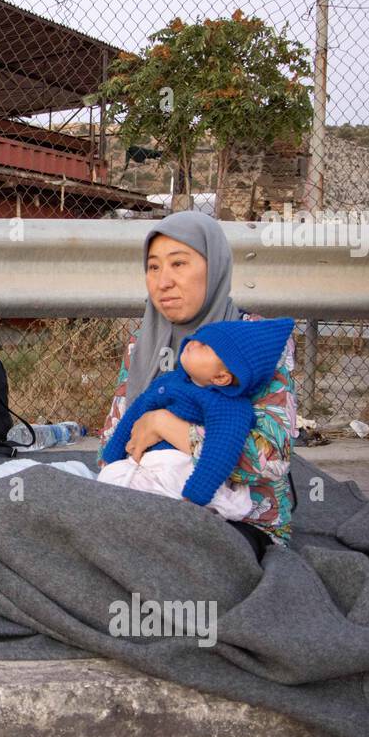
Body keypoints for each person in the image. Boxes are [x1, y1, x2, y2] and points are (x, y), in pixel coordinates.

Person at [98, 211, 298, 558]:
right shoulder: (142, 342)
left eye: (179, 264)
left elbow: (271, 457)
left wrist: (166, 425)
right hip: (149, 501)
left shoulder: (255, 340)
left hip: (240, 520)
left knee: (180, 557)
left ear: (214, 266)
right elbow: (113, 441)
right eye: (154, 267)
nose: (163, 282)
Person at [97, 316, 296, 523]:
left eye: (205, 346)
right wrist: (111, 456)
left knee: (141, 502)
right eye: (199, 337)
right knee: (110, 481)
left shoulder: (228, 406)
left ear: (221, 377)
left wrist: (194, 495)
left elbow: (220, 452)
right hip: (145, 463)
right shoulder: (169, 380)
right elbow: (135, 412)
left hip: (180, 471)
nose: (194, 342)